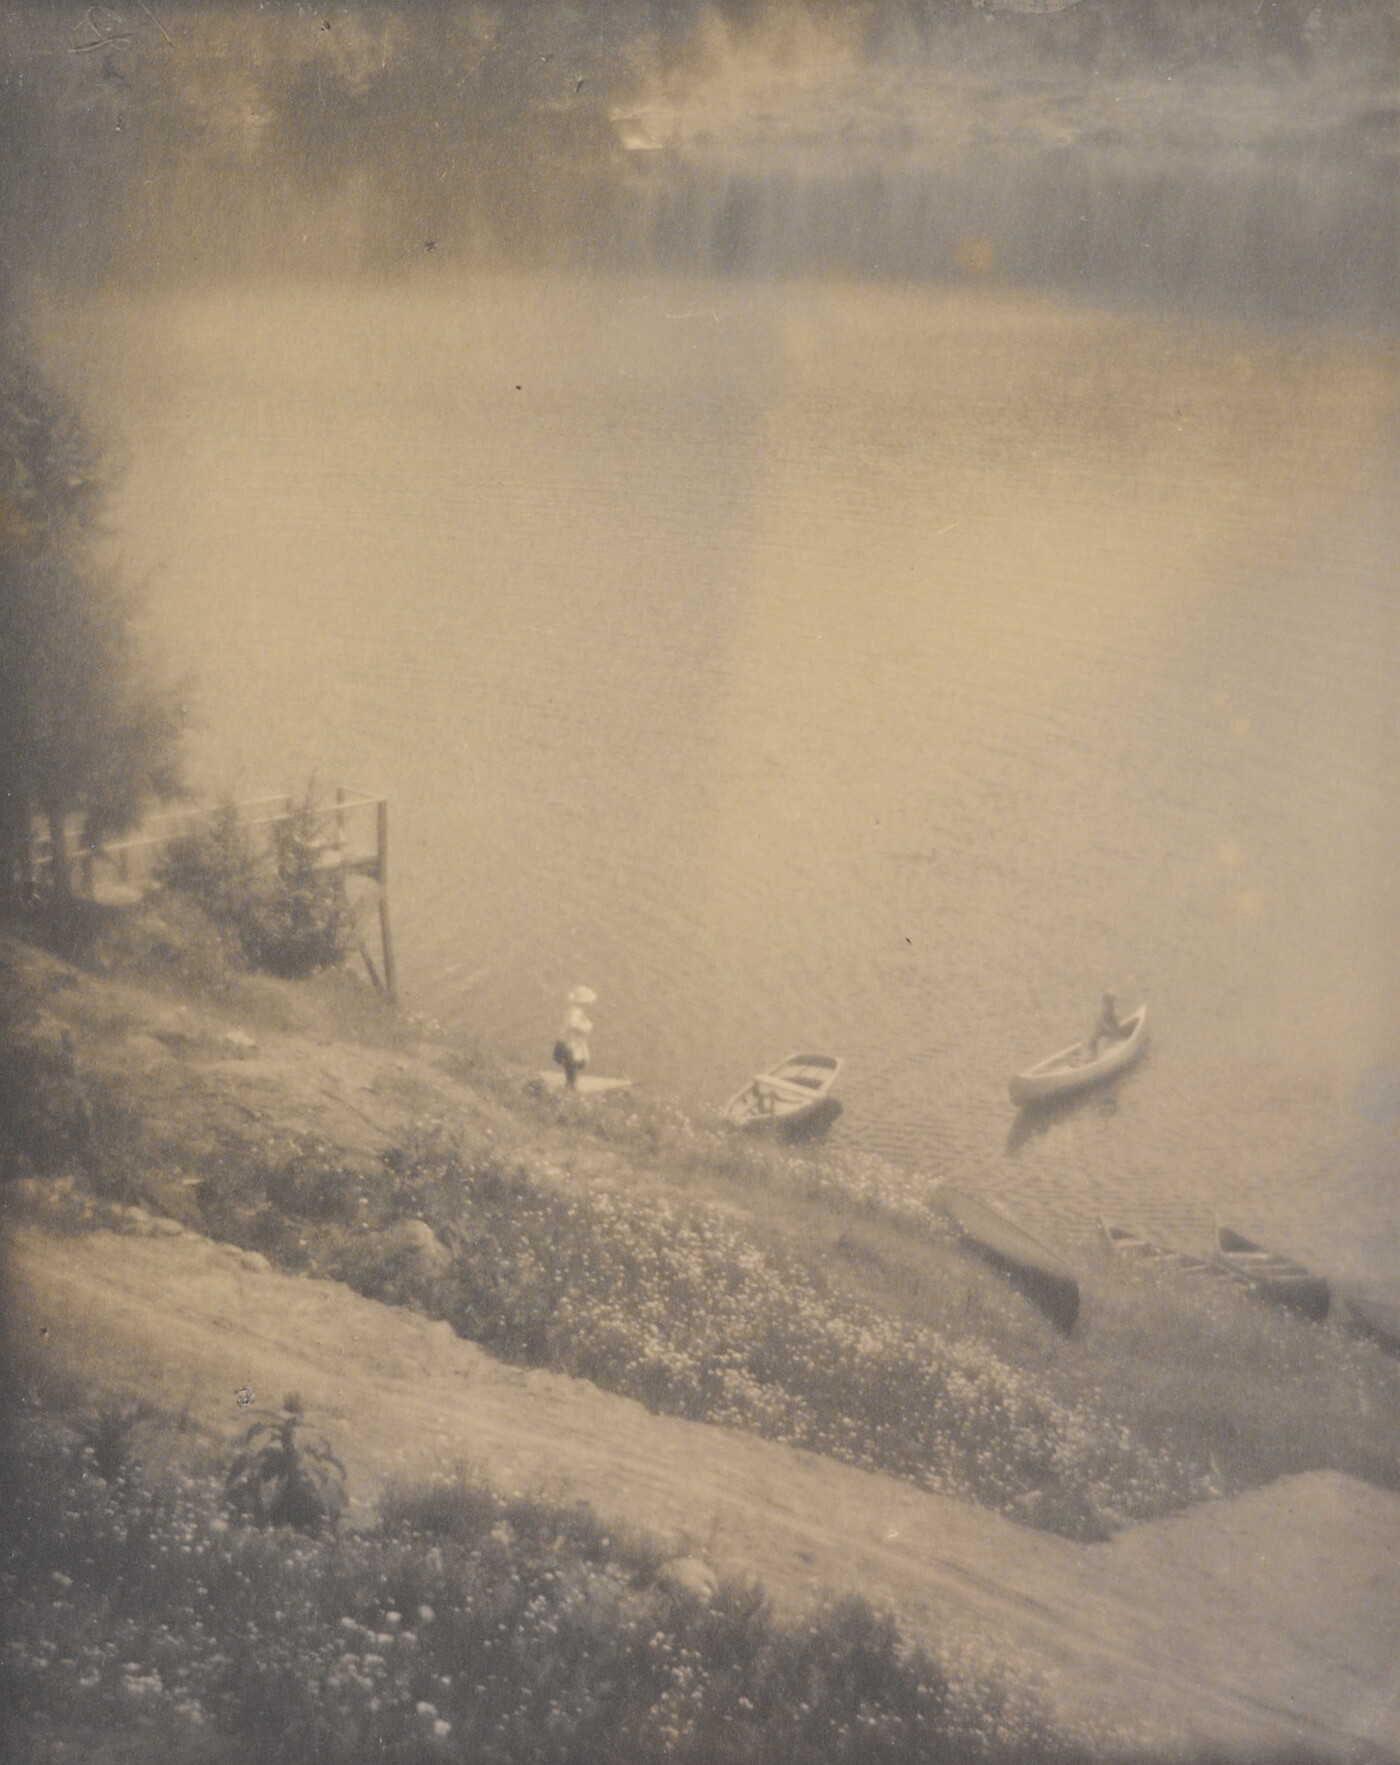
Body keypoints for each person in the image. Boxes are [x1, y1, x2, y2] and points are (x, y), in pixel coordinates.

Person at [553, 985, 595, 1089]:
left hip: (572, 1041)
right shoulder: (576, 1012)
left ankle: (571, 1084)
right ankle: (571, 1085)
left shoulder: (575, 1011)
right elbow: (573, 1024)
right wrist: (586, 1027)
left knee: (572, 1064)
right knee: (572, 1063)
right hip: (572, 1043)